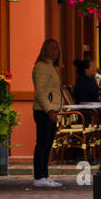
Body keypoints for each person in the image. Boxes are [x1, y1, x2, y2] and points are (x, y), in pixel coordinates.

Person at [31, 40, 63, 187]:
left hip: (51, 110)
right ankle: (39, 176)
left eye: (57, 48)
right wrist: (49, 109)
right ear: (45, 50)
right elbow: (40, 91)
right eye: (52, 48)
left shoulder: (51, 67)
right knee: (42, 143)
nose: (55, 51)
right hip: (44, 111)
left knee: (48, 143)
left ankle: (44, 174)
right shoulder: (41, 67)